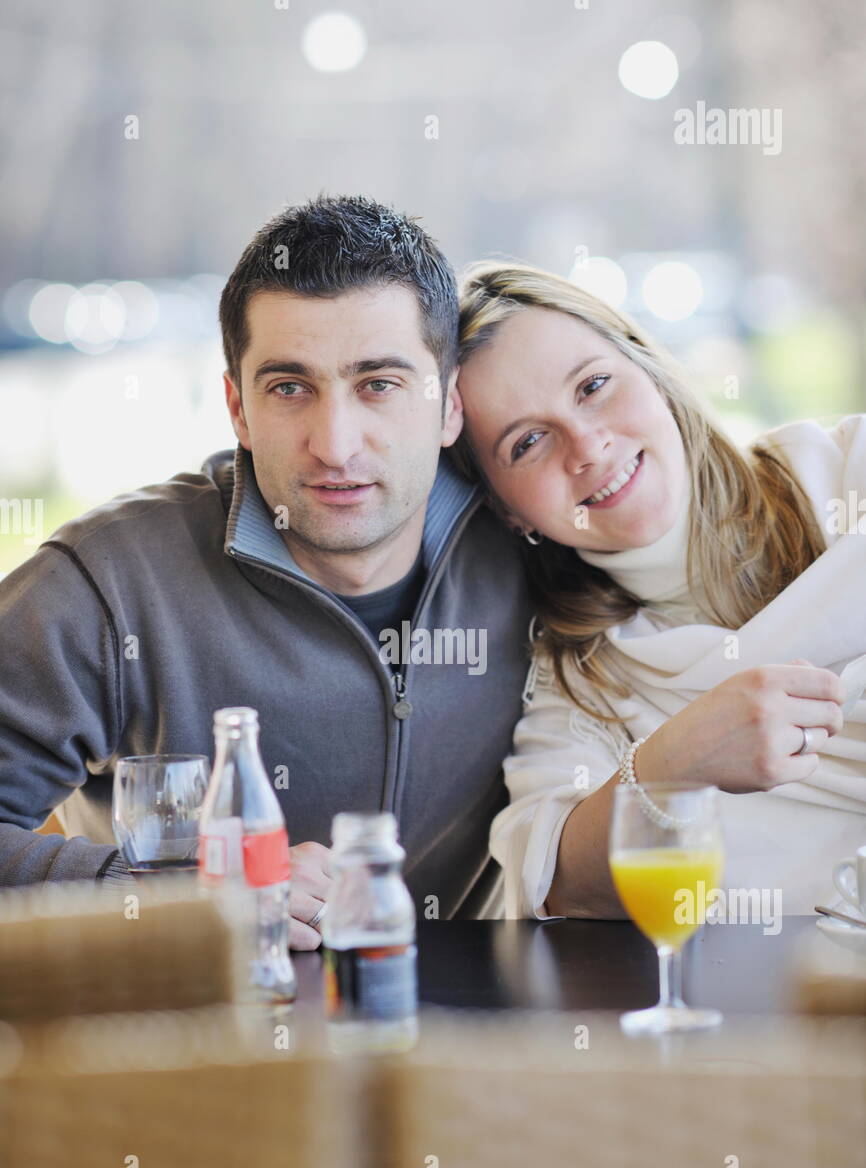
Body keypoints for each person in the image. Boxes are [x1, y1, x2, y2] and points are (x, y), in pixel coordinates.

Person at [0, 198, 535, 941]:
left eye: (378, 384)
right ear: (238, 408)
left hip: (468, 1043)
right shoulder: (108, 585)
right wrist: (177, 898)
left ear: (448, 404)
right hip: (191, 1042)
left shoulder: (535, 548)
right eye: (290, 388)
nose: (336, 444)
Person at [450, 260, 866, 918]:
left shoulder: (846, 476)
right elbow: (551, 881)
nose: (586, 445)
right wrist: (676, 760)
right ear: (510, 512)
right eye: (528, 441)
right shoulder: (582, 680)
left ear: (651, 369)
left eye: (592, 386)